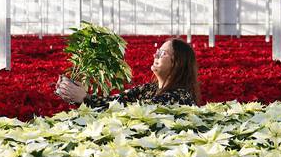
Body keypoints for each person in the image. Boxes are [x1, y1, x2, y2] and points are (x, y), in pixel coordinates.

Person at [55, 38, 201, 109]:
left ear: (177, 63)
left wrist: (85, 98)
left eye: (162, 53)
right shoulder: (148, 89)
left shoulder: (180, 96)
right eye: (157, 52)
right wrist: (79, 94)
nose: (155, 56)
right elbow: (116, 102)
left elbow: (135, 112)